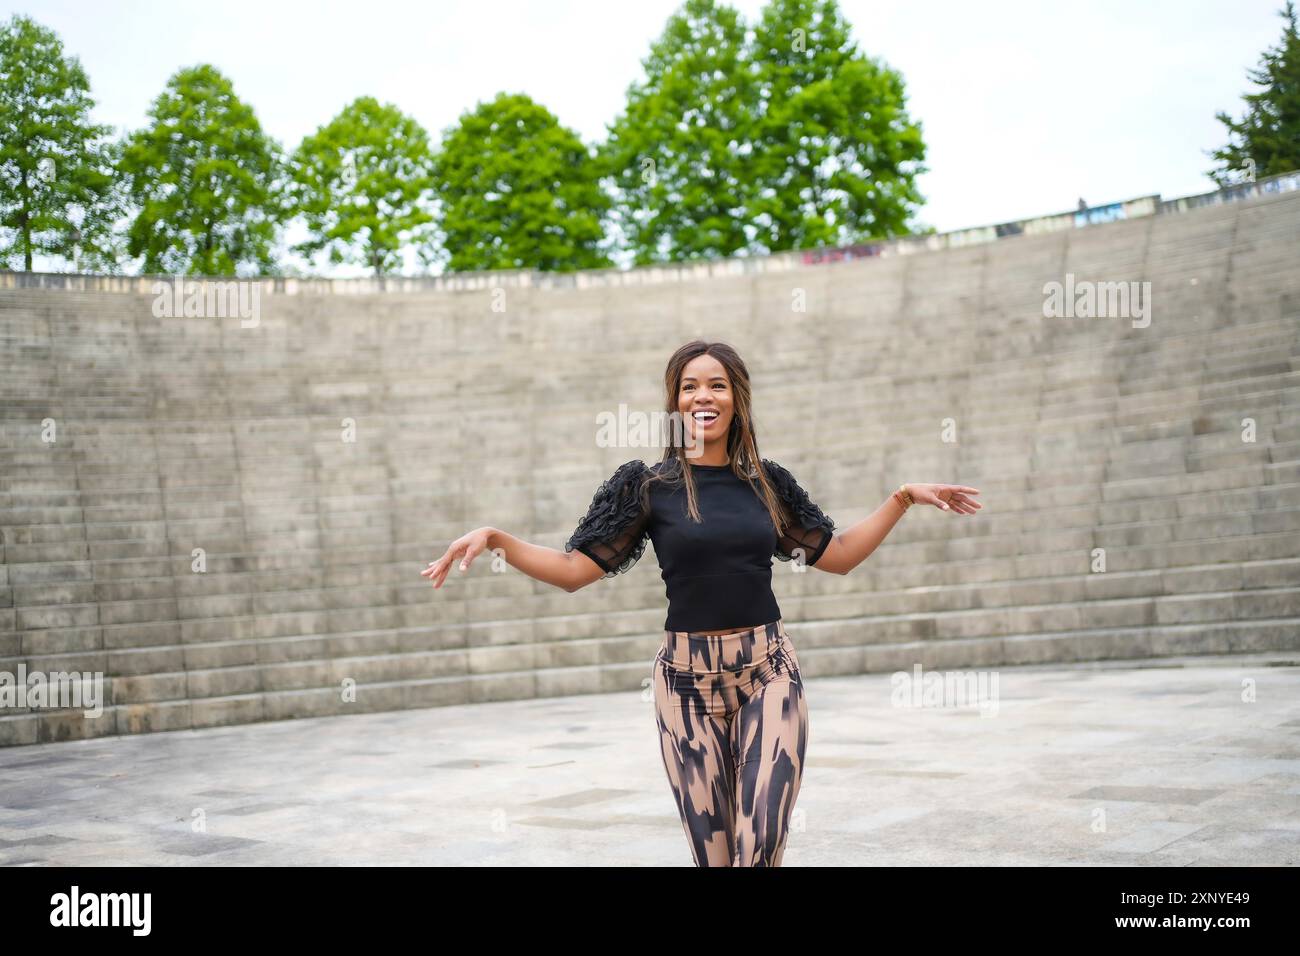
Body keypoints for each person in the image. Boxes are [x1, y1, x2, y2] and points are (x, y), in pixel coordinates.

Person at [421, 340, 981, 866]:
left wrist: (902, 498)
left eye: (716, 385)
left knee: (759, 842)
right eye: (689, 387)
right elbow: (574, 572)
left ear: (737, 398)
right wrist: (497, 538)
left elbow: (836, 556)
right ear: (674, 401)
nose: (703, 398)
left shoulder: (766, 483)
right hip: (685, 686)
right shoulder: (647, 485)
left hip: (768, 674)